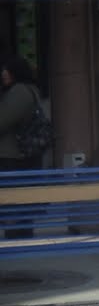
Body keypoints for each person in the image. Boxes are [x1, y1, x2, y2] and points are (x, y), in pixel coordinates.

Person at [0, 56, 46, 238]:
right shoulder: (31, 90)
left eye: (7, 69)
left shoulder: (19, 91)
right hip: (23, 156)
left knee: (14, 205)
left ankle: (17, 240)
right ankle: (21, 236)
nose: (3, 73)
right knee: (21, 205)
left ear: (16, 72)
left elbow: (3, 120)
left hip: (14, 157)